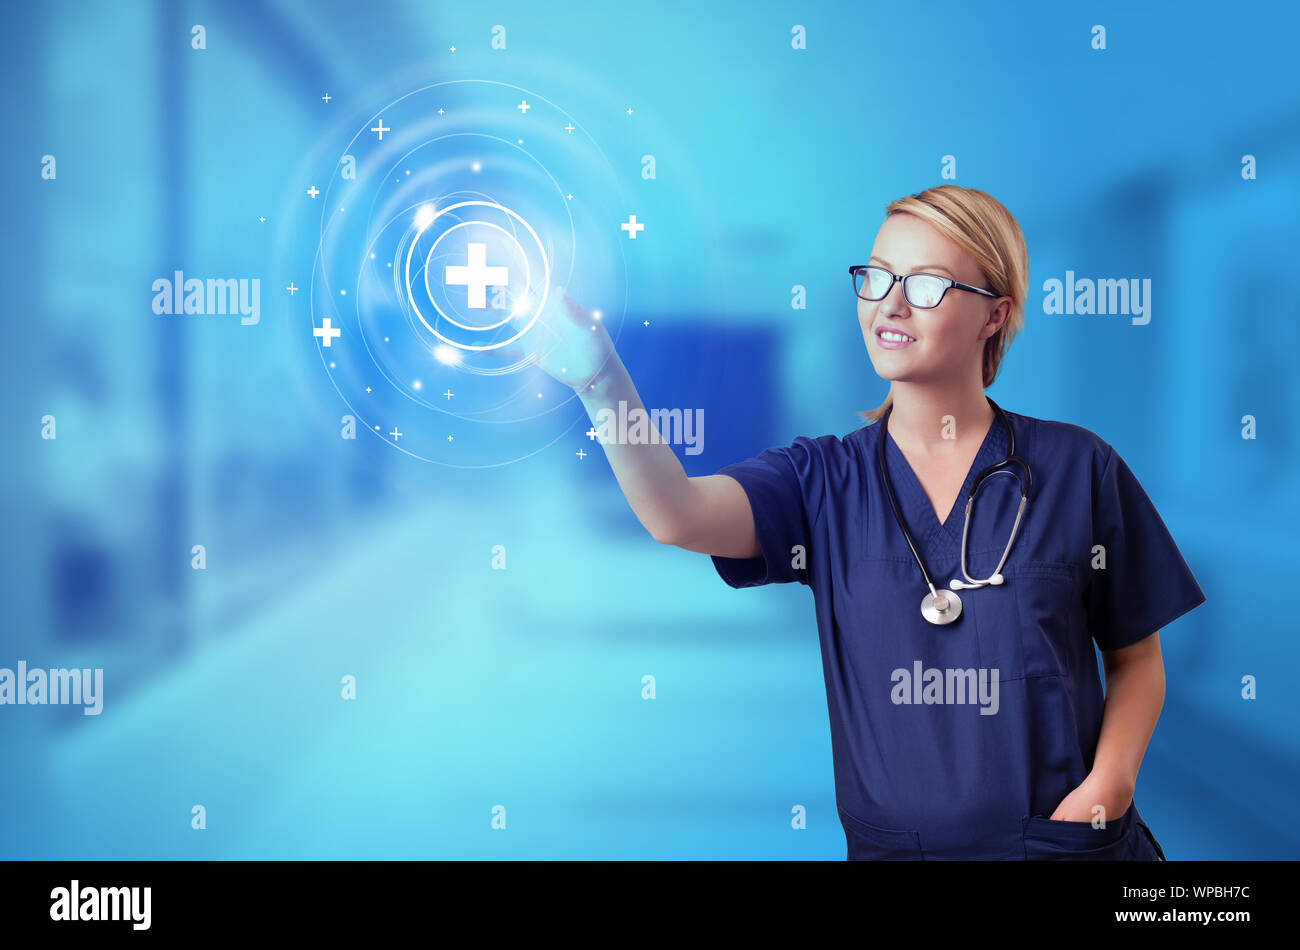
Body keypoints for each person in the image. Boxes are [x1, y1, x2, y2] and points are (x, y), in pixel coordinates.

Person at [520, 184, 1206, 860]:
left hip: (1064, 849)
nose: (891, 304)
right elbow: (678, 514)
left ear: (994, 316)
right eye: (876, 277)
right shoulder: (820, 481)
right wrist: (600, 381)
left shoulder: (1078, 468)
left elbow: (1136, 658)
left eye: (928, 285)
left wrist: (1107, 789)